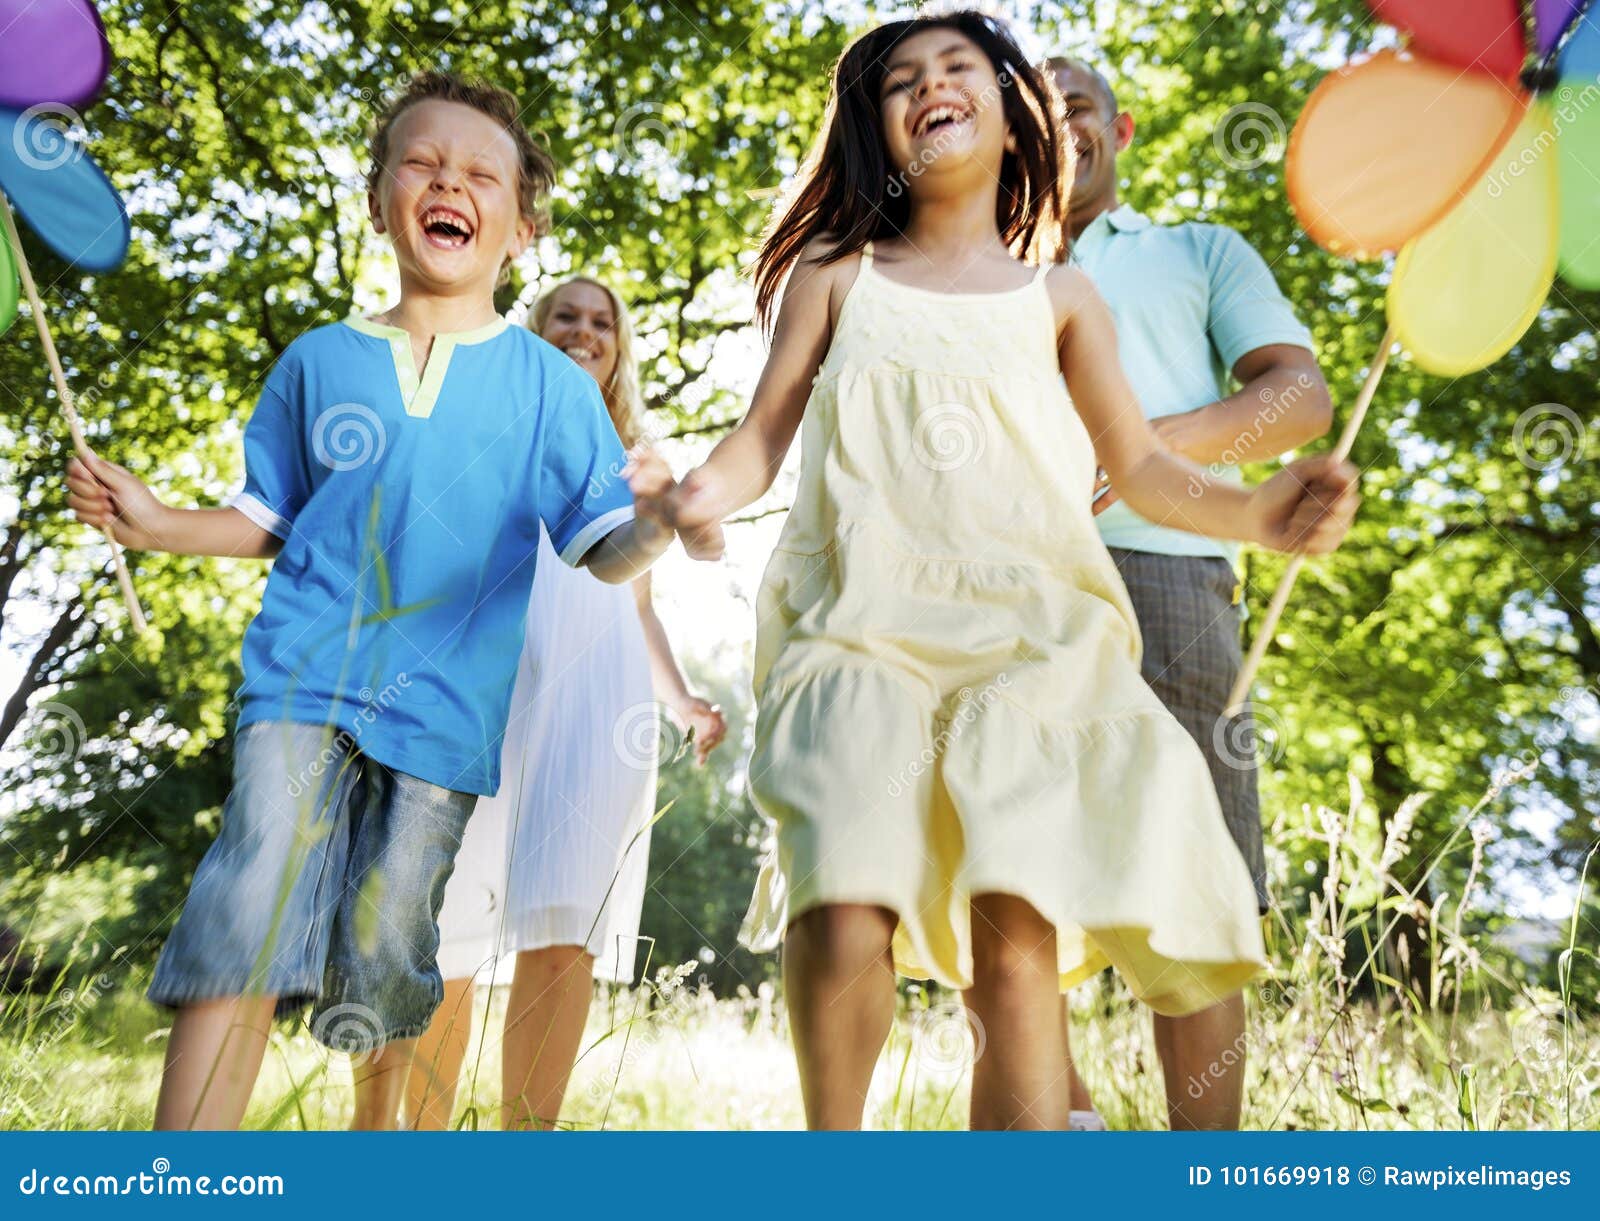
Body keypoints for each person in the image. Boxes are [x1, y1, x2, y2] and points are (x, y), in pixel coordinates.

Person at [657, 10, 1359, 1130]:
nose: (929, 86)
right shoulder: (836, 277)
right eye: (899, 81)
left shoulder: (1063, 299)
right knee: (841, 897)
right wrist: (696, 493)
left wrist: (1258, 515)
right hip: (857, 630)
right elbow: (759, 437)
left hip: (1033, 642)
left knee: (1019, 932)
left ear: (1011, 111)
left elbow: (1136, 466)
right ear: (873, 131)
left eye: (957, 67)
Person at [64, 72, 681, 1130]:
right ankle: (178, 1171)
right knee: (251, 903)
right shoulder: (320, 363)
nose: (450, 183)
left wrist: (670, 520)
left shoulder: (551, 389)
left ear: (521, 226)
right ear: (380, 197)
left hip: (444, 722)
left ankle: (390, 1149)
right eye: (423, 163)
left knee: (388, 950)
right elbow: (269, 516)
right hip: (304, 682)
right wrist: (155, 518)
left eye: (480, 172)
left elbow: (602, 553)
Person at [354, 276, 728, 1130]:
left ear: (617, 347)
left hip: (601, 695)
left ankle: (528, 1148)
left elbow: (639, 606)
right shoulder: (484, 415)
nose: (585, 330)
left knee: (568, 919)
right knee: (443, 912)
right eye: (568, 314)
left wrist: (681, 702)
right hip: (487, 675)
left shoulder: (637, 458)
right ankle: (425, 1142)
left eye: (602, 322)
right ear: (536, 327)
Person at [1049, 54, 1334, 1130]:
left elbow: (1297, 395)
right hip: (1005, 578)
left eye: (1076, 102)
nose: (1056, 119)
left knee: (1201, 867)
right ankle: (1059, 1128)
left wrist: (1146, 449)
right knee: (1002, 860)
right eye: (1033, 104)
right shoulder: (969, 268)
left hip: (1169, 568)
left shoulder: (1197, 251)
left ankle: (1200, 1165)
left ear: (1118, 132)